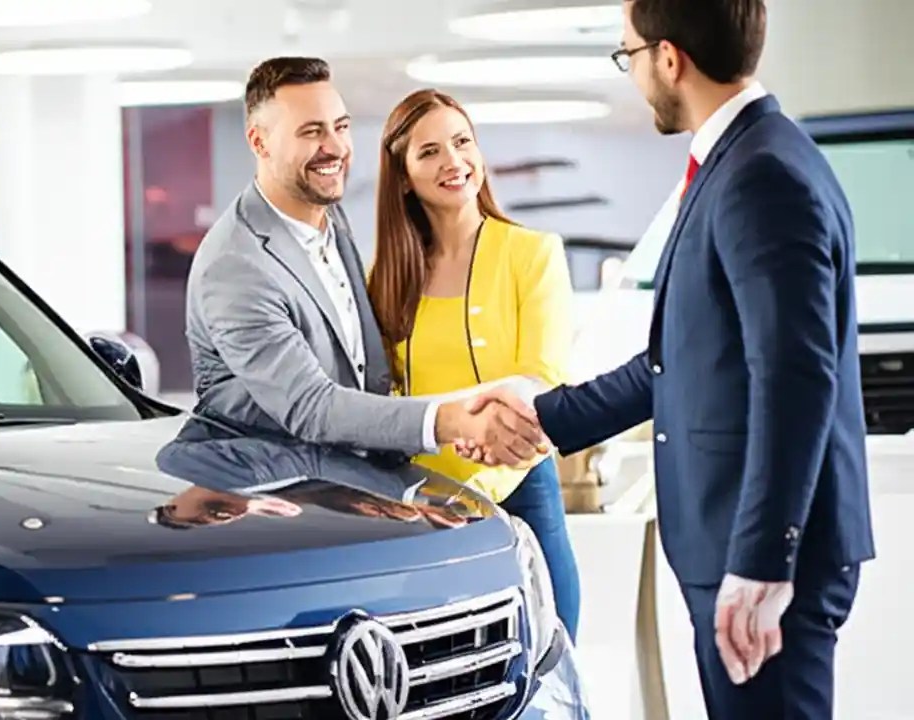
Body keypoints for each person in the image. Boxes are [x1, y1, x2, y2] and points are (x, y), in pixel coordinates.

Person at [461, 0, 875, 717]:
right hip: (738, 548)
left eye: (628, 56)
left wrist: (761, 560)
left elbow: (797, 378)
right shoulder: (740, 161)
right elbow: (678, 363)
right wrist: (541, 413)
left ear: (669, 58)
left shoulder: (761, 173)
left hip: (767, 558)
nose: (633, 76)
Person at [184, 56, 540, 457]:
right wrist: (454, 421)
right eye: (312, 132)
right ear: (259, 142)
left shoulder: (328, 214)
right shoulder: (236, 265)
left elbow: (365, 374)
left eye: (341, 127)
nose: (335, 148)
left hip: (351, 484)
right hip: (274, 496)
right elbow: (310, 407)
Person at [367, 88, 581, 638]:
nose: (453, 162)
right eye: (430, 151)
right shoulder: (385, 280)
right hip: (418, 509)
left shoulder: (531, 253)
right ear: (404, 176)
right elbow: (378, 400)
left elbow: (544, 377)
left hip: (519, 492)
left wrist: (483, 471)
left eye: (462, 142)